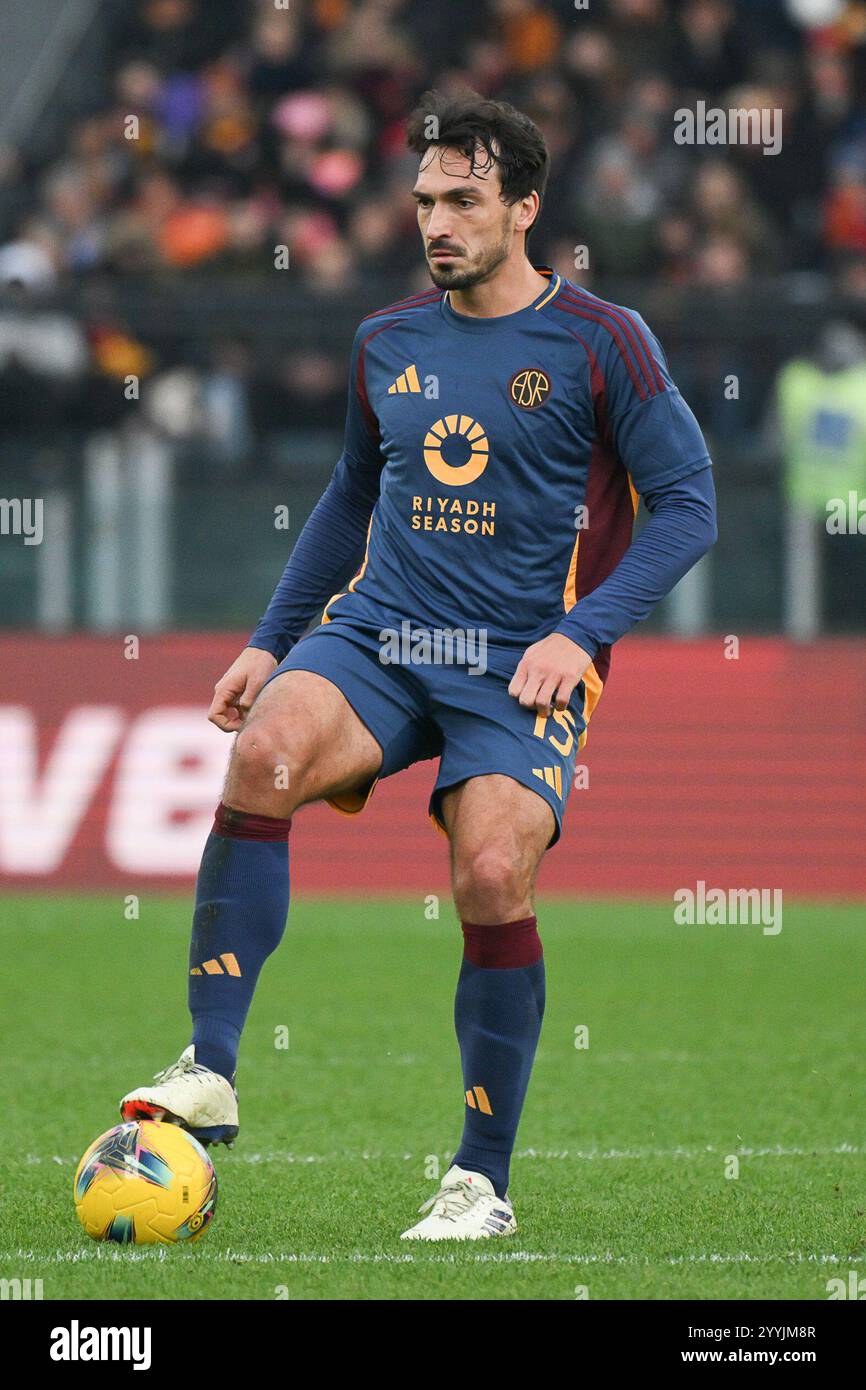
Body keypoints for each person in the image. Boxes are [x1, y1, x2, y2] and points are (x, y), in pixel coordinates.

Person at [120, 90, 717, 1241]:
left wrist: (579, 633)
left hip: (520, 663)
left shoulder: (602, 339)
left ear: (523, 208)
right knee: (268, 751)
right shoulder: (385, 342)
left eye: (463, 201)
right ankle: (210, 1063)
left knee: (492, 874)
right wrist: (267, 639)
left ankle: (477, 1179)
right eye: (423, 201)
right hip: (383, 634)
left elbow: (687, 508)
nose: (436, 222)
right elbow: (349, 499)